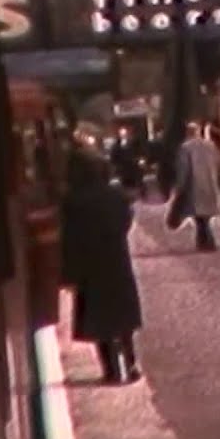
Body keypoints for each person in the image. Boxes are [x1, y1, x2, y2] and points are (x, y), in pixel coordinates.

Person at [60, 151, 144, 385]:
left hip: (91, 266)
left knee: (100, 322)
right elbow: (126, 222)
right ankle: (131, 363)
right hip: (117, 261)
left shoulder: (73, 201)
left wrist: (68, 273)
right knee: (123, 319)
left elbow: (69, 238)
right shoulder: (116, 197)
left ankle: (111, 370)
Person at [167, 120, 220, 251]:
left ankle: (207, 242)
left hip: (194, 186)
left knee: (200, 217)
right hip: (210, 184)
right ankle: (204, 242)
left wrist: (179, 186)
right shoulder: (211, 146)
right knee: (204, 217)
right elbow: (219, 164)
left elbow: (183, 169)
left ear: (188, 132)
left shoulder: (185, 148)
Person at [110, 124, 144, 194]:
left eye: (125, 133)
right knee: (126, 185)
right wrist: (117, 166)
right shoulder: (116, 145)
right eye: (122, 133)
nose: (124, 135)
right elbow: (114, 157)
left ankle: (139, 194)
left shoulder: (135, 143)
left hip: (134, 167)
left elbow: (140, 152)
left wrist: (139, 159)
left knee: (137, 183)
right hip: (124, 169)